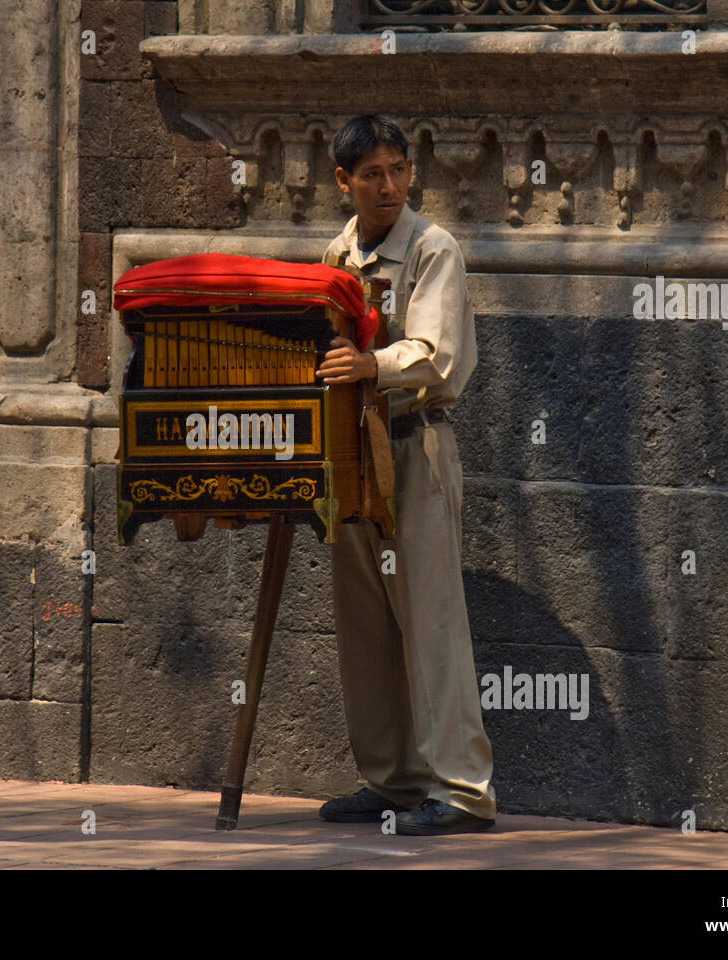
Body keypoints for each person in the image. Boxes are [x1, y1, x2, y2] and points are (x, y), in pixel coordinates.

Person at [312, 114, 495, 835]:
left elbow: (437, 355)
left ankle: (464, 790)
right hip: (353, 453)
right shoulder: (337, 252)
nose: (388, 186)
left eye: (398, 170)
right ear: (344, 182)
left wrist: (371, 365)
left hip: (413, 447)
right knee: (365, 623)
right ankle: (391, 780)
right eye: (371, 174)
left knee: (431, 619)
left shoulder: (432, 248)